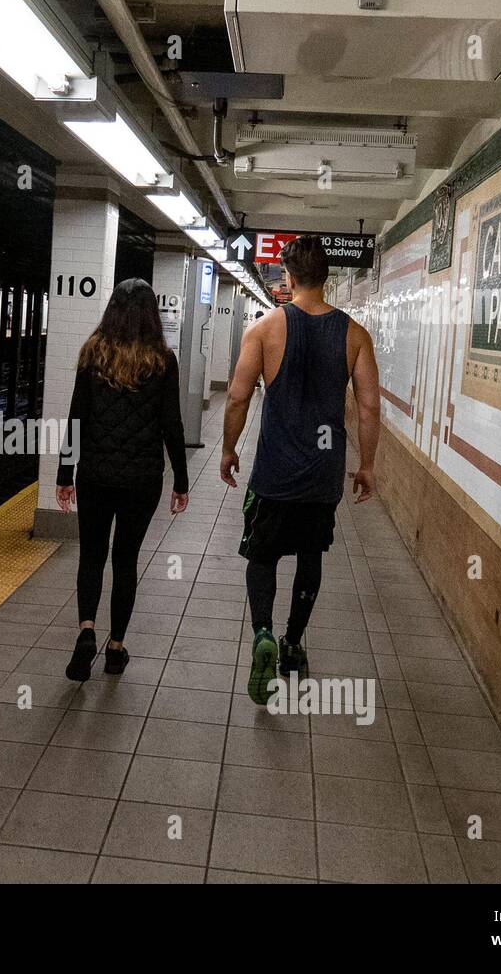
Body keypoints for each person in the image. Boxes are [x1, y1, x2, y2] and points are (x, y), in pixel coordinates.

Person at [219, 234, 381, 705]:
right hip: (322, 475)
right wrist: (366, 466)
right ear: (327, 278)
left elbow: (237, 395)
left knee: (262, 556)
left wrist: (229, 449)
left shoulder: (265, 329)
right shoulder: (354, 335)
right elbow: (369, 408)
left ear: (287, 278)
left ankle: (263, 633)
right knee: (311, 558)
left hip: (273, 472)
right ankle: (292, 643)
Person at [56, 279, 190, 682]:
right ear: (152, 316)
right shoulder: (163, 361)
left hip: (95, 474)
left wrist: (65, 474)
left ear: (112, 310)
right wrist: (181, 480)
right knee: (126, 560)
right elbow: (172, 426)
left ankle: (86, 632)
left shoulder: (92, 354)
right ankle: (115, 649)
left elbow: (76, 420)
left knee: (92, 556)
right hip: (142, 479)